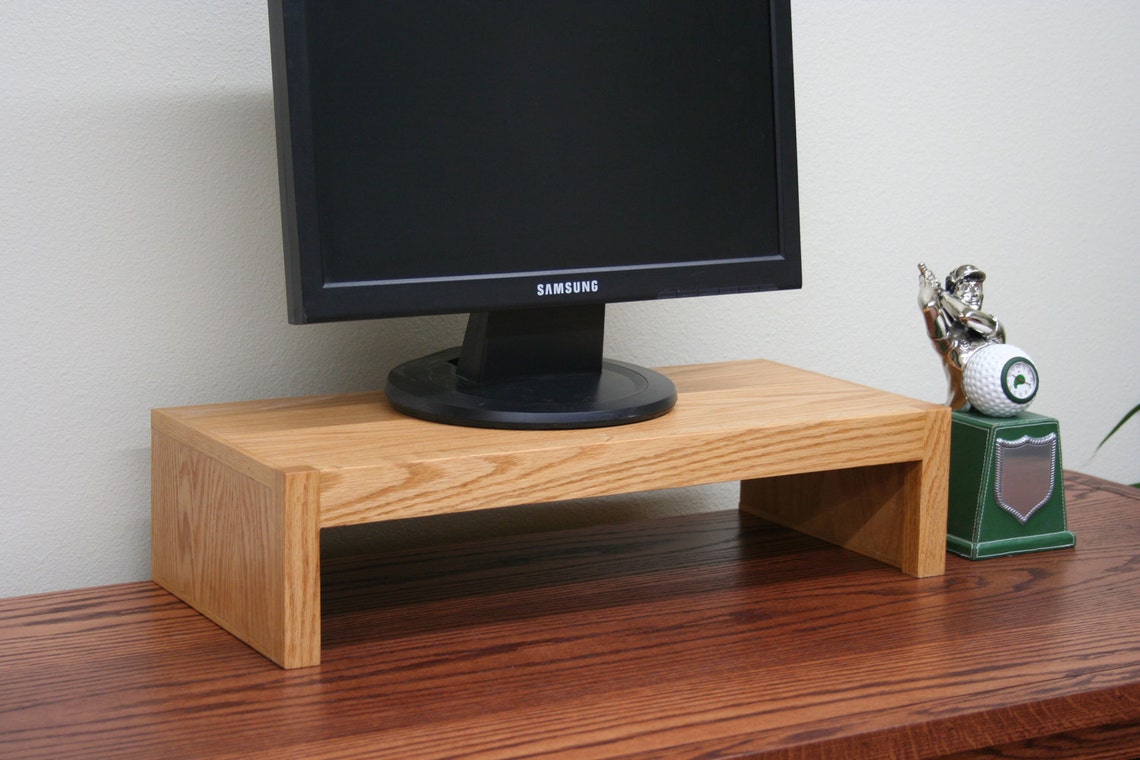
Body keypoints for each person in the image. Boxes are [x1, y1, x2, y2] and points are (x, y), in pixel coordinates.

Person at [918, 263, 1006, 409]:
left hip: (995, 411)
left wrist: (942, 294)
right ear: (955, 294)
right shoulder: (950, 337)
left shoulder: (994, 328)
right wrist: (927, 293)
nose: (974, 293)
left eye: (977, 287)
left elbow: (966, 316)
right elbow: (929, 306)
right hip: (958, 414)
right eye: (966, 288)